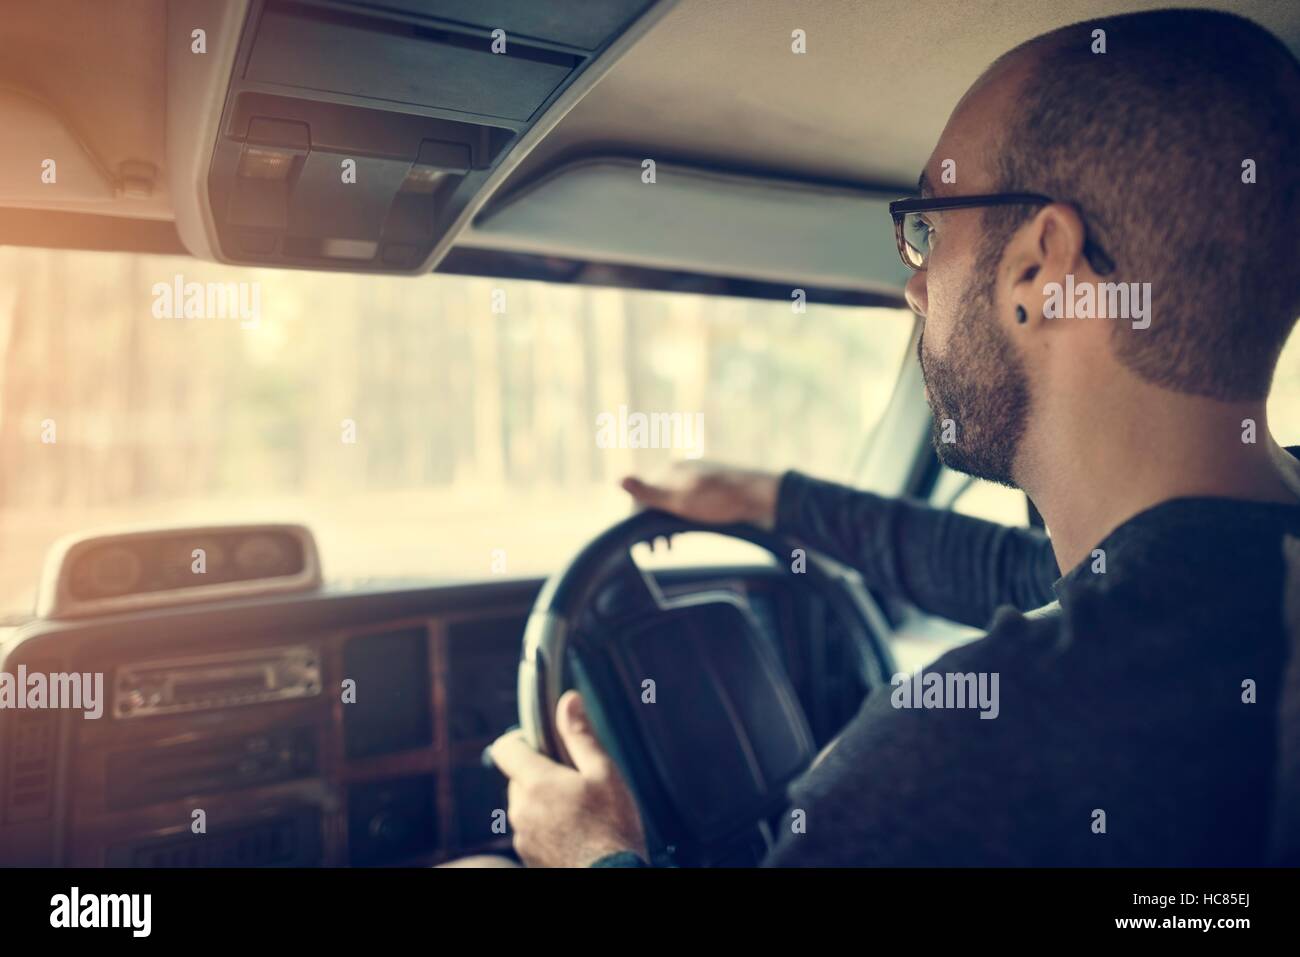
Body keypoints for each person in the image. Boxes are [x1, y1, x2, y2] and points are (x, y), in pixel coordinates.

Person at [484, 7, 1300, 867]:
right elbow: (1026, 572)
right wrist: (771, 498)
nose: (914, 286)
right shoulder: (1239, 583)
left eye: (928, 229)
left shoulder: (954, 767)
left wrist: (593, 854)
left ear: (1042, 267)